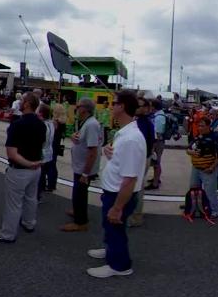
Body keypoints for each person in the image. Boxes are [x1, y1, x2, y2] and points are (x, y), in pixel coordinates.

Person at [86, 90, 147, 278]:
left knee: (115, 228)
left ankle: (120, 265)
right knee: (110, 227)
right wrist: (108, 150)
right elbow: (121, 160)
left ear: (122, 107)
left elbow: (130, 179)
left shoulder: (131, 139)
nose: (111, 107)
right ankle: (110, 250)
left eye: (114, 103)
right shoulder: (125, 133)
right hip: (113, 190)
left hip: (118, 194)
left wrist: (118, 207)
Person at [0, 92, 45, 244]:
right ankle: (29, 223)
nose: (19, 102)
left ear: (27, 104)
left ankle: (7, 234)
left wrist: (28, 163)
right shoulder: (41, 124)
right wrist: (35, 163)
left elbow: (12, 153)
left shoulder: (17, 124)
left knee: (14, 203)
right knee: (31, 197)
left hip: (20, 169)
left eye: (22, 100)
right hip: (36, 168)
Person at [62, 98, 102, 233]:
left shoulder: (91, 125)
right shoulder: (86, 122)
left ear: (85, 109)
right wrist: (74, 136)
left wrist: (86, 173)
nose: (76, 108)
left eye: (78, 106)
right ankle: (77, 211)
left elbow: (93, 150)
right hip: (80, 165)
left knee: (80, 193)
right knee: (78, 191)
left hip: (84, 168)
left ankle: (81, 222)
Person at [128, 96, 157, 228]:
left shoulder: (144, 123)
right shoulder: (139, 121)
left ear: (145, 108)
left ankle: (136, 216)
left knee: (137, 187)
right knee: (135, 186)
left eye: (138, 106)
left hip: (141, 159)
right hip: (140, 158)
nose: (135, 108)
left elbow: (143, 144)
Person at [185, 121, 218, 219]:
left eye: (202, 126)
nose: (200, 128)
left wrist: (212, 167)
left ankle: (214, 211)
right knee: (194, 188)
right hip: (196, 168)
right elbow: (188, 149)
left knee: (210, 191)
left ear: (208, 126)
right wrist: (191, 152)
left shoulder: (215, 137)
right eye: (199, 126)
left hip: (208, 169)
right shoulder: (198, 137)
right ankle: (196, 207)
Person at [147, 101, 167, 190]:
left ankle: (155, 183)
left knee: (156, 162)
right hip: (159, 142)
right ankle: (156, 178)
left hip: (158, 142)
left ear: (154, 107)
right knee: (156, 162)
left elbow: (158, 133)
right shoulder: (160, 115)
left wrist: (153, 147)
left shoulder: (159, 117)